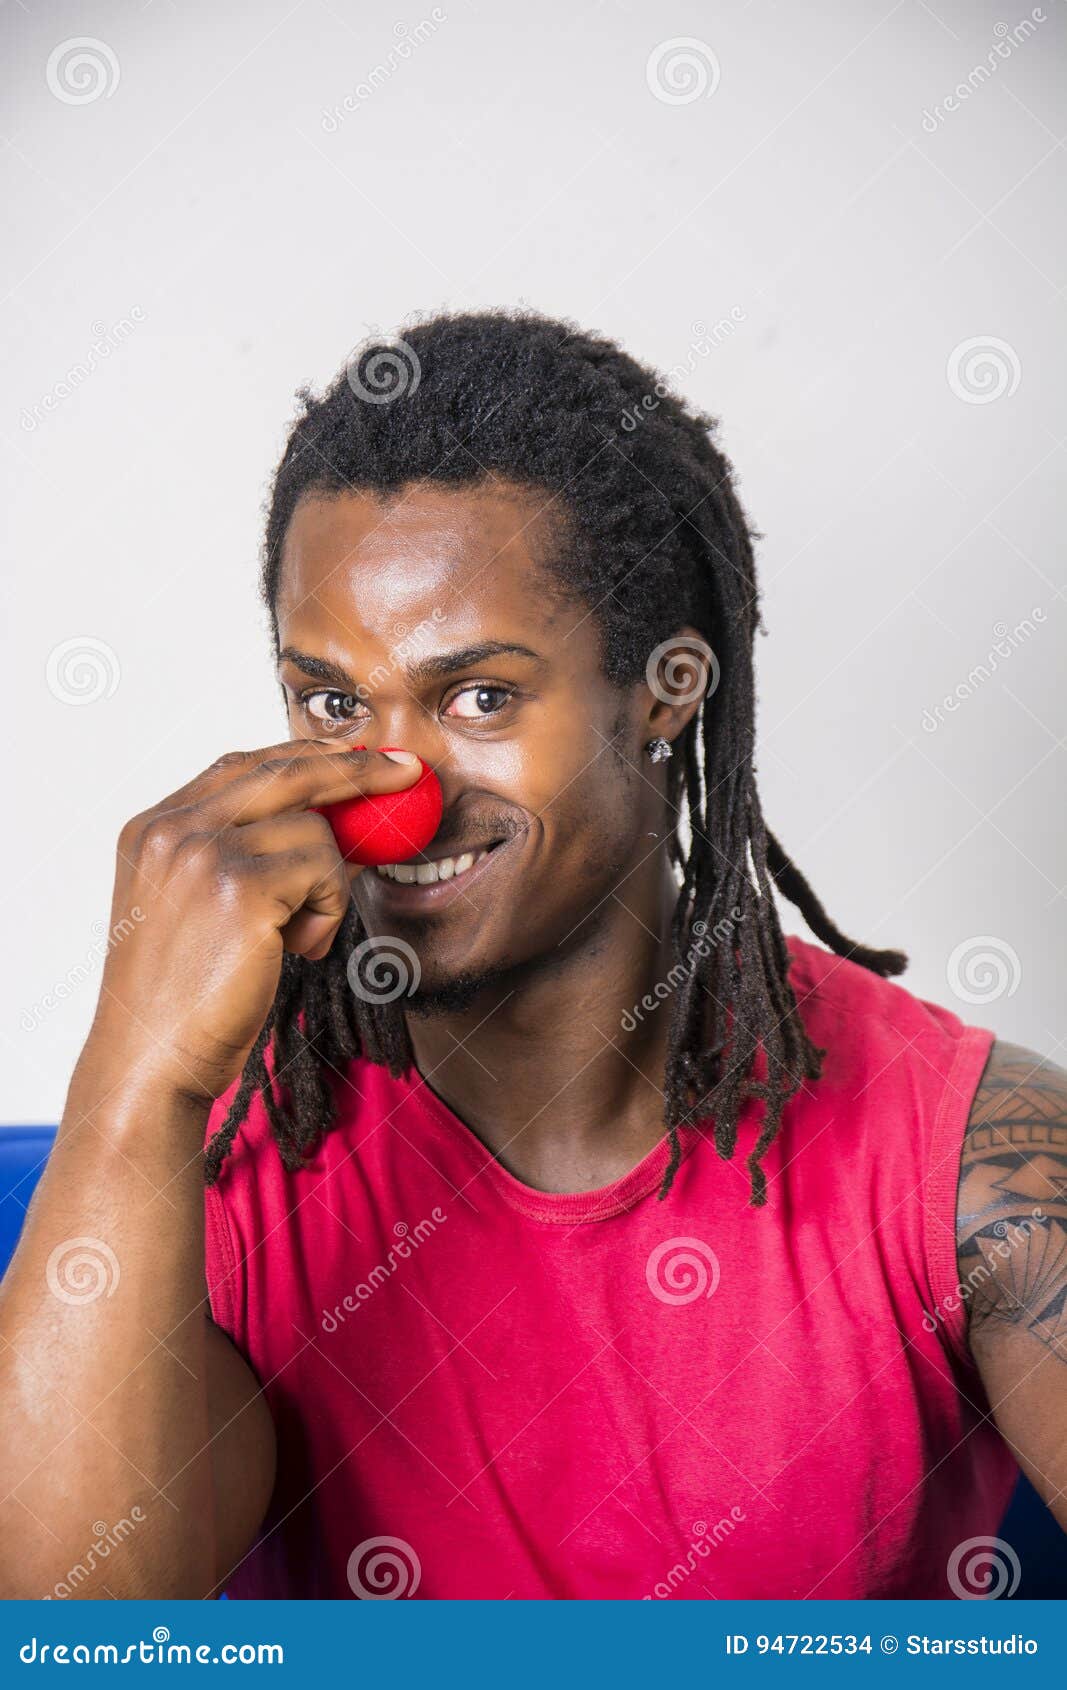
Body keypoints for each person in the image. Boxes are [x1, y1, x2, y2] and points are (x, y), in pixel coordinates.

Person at [1, 310, 1064, 1600]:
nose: (390, 789)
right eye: (334, 703)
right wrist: (138, 1069)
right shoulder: (219, 1154)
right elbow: (60, 1632)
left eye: (479, 697)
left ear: (663, 689)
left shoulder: (978, 1169)